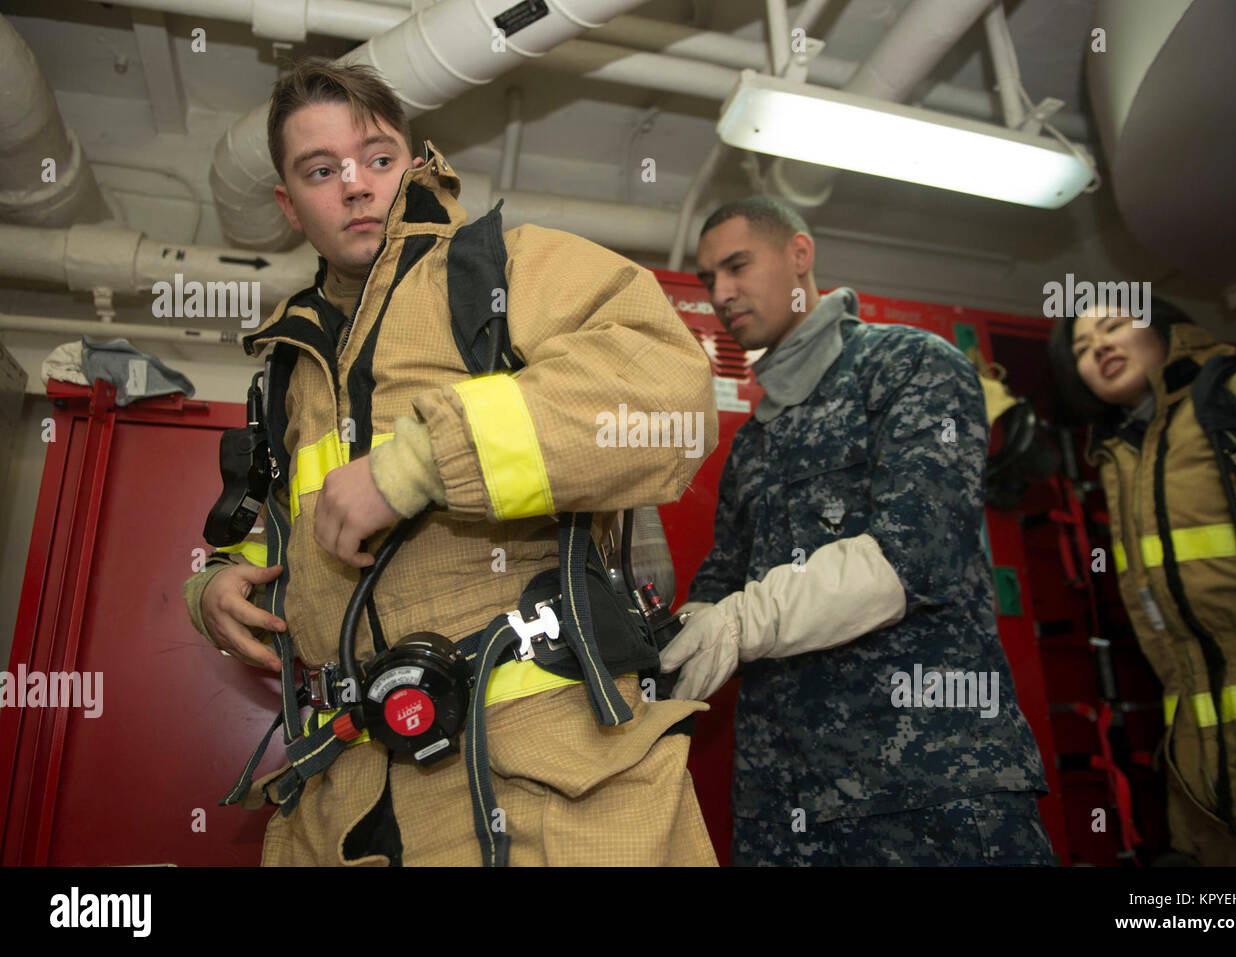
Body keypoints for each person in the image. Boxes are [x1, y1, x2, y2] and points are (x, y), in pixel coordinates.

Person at [181, 58, 720, 866]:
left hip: (546, 789)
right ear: (289, 208)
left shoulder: (504, 268)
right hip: (344, 806)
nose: (357, 186)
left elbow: (673, 401)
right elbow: (311, 534)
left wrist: (423, 463)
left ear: (417, 160)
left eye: (378, 157)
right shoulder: (291, 368)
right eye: (322, 171)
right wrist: (217, 585)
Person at [662, 196, 1053, 866]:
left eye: (736, 266)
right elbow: (719, 590)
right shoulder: (752, 447)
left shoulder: (909, 366)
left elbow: (915, 556)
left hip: (927, 795)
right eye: (707, 281)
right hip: (784, 813)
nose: (722, 293)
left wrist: (739, 622)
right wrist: (651, 650)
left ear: (799, 255)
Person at [1048, 299, 1236, 865]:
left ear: (1164, 329)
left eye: (1112, 327)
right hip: (1204, 776)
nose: (1100, 349)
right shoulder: (1120, 456)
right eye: (1083, 349)